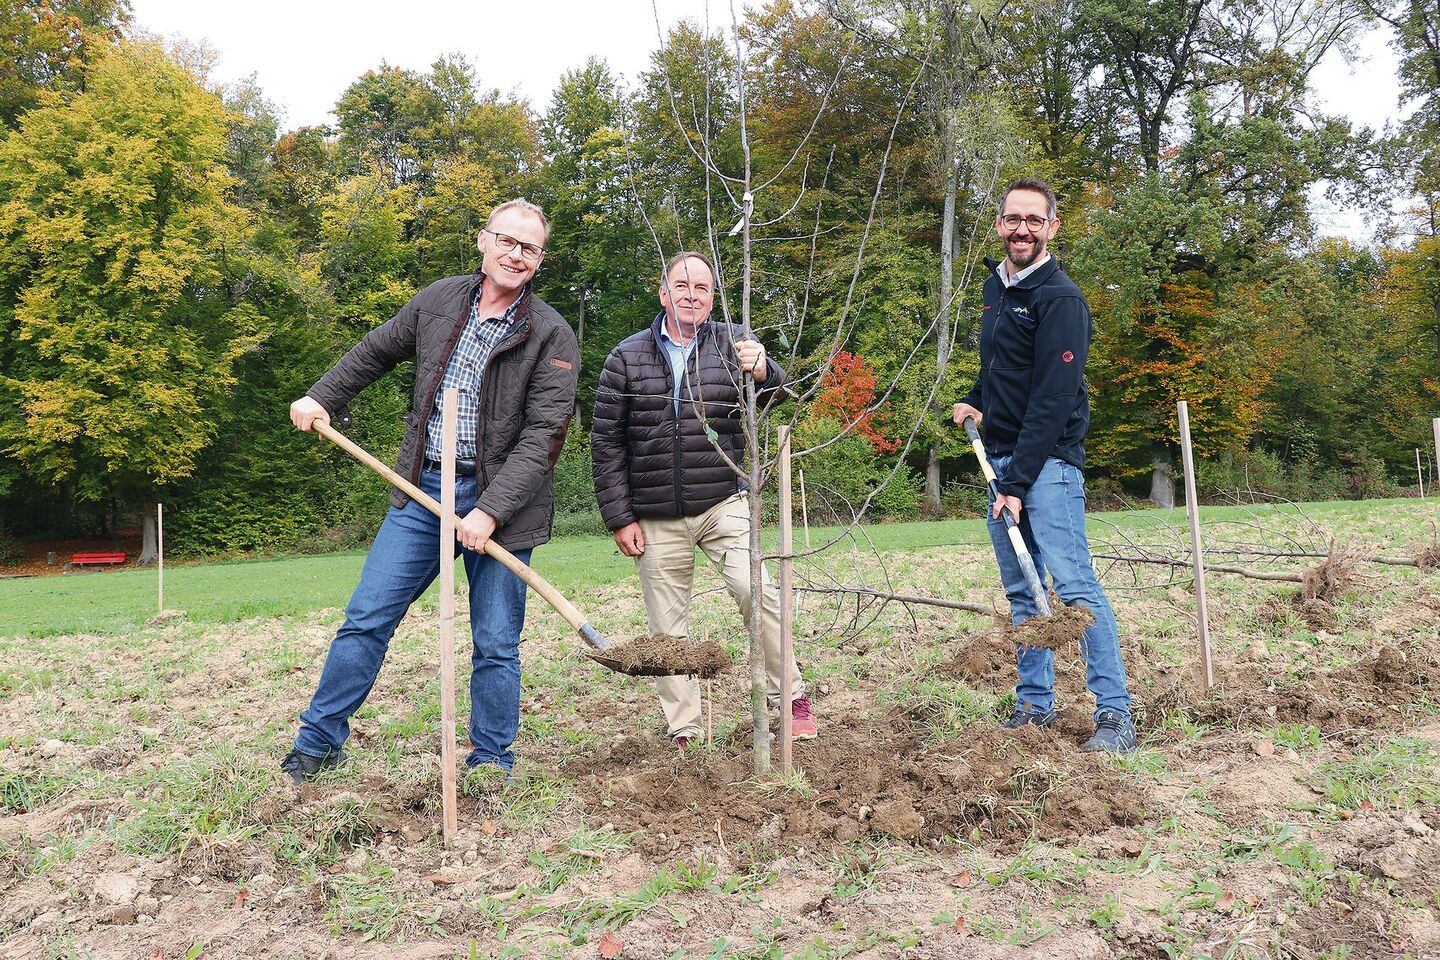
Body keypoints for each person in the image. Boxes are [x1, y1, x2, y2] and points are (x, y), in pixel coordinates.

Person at [281, 198, 579, 782]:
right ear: (484, 241)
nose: (515, 255)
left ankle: (492, 760)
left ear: (539, 261)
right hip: (423, 490)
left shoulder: (552, 335)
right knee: (366, 618)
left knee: (495, 641)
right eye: (507, 241)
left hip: (501, 504)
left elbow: (544, 435)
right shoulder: (440, 301)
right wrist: (322, 397)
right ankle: (317, 743)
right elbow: (374, 352)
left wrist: (489, 511)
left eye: (529, 248)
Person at [590, 252, 816, 748]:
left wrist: (764, 371)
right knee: (666, 628)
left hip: (723, 503)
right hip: (652, 516)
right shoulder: (625, 357)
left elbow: (783, 398)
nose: (693, 295)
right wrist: (619, 515)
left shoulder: (732, 345)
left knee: (759, 592)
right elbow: (606, 443)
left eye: (703, 288)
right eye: (682, 285)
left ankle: (791, 697)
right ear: (663, 291)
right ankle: (685, 730)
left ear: (712, 298)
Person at [951, 177, 1136, 753]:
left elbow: (1053, 398)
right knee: (1024, 594)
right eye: (1014, 219)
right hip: (1003, 461)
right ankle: (1035, 708)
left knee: (1074, 586)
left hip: (1046, 466)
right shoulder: (995, 289)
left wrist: (1016, 481)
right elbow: (1001, 366)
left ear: (1052, 227)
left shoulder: (1060, 299)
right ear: (1000, 224)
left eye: (1035, 220)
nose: (1022, 229)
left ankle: (1115, 715)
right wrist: (976, 397)